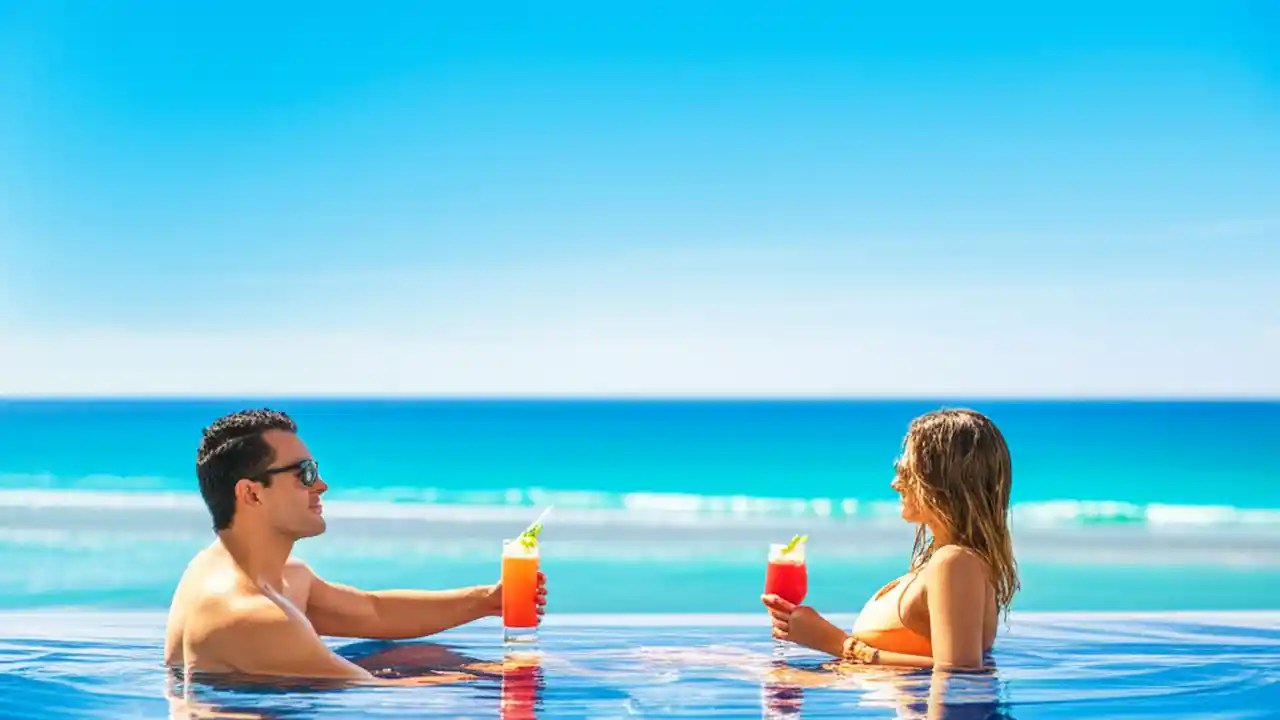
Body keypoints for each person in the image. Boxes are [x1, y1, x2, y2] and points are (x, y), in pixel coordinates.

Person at [163, 408, 547, 680]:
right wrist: (505, 676)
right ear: (252, 494)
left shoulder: (276, 578)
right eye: (304, 474)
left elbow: (372, 612)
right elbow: (373, 693)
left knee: (420, 655)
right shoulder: (248, 617)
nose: (321, 484)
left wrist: (488, 600)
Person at [762, 408, 1018, 671]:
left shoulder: (955, 562)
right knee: (725, 659)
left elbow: (959, 675)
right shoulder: (937, 563)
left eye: (908, 472)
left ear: (943, 481)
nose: (895, 483)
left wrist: (839, 644)